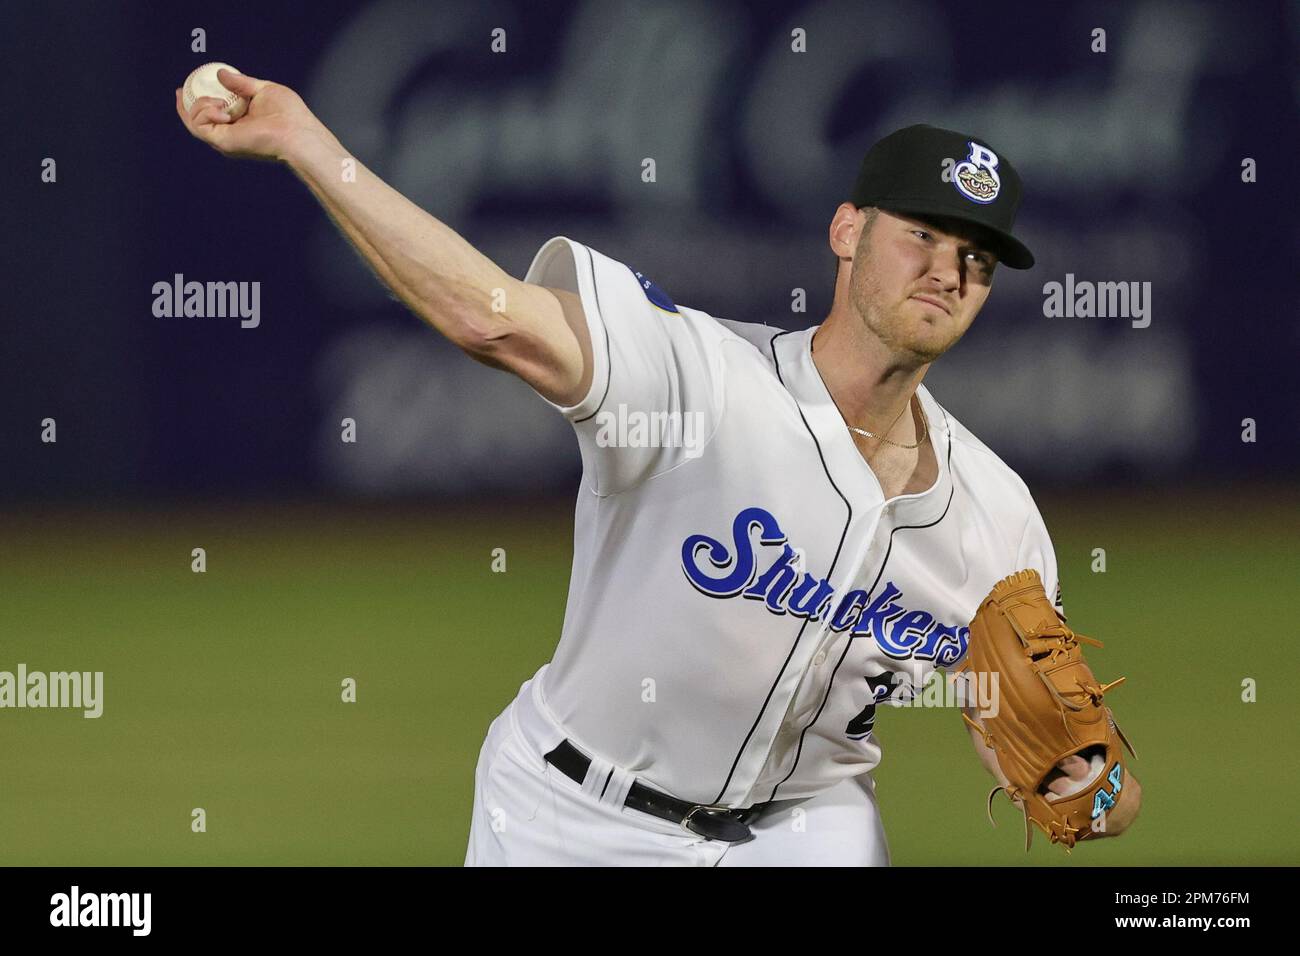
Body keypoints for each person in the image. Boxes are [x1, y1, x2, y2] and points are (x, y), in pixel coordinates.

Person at [177, 71, 1141, 866]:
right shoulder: (699, 377)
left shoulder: (996, 514)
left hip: (806, 831)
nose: (946, 269)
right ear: (847, 232)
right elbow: (492, 317)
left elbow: (1028, 731)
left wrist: (1089, 787)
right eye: (922, 234)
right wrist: (308, 142)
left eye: (976, 256)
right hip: (567, 815)